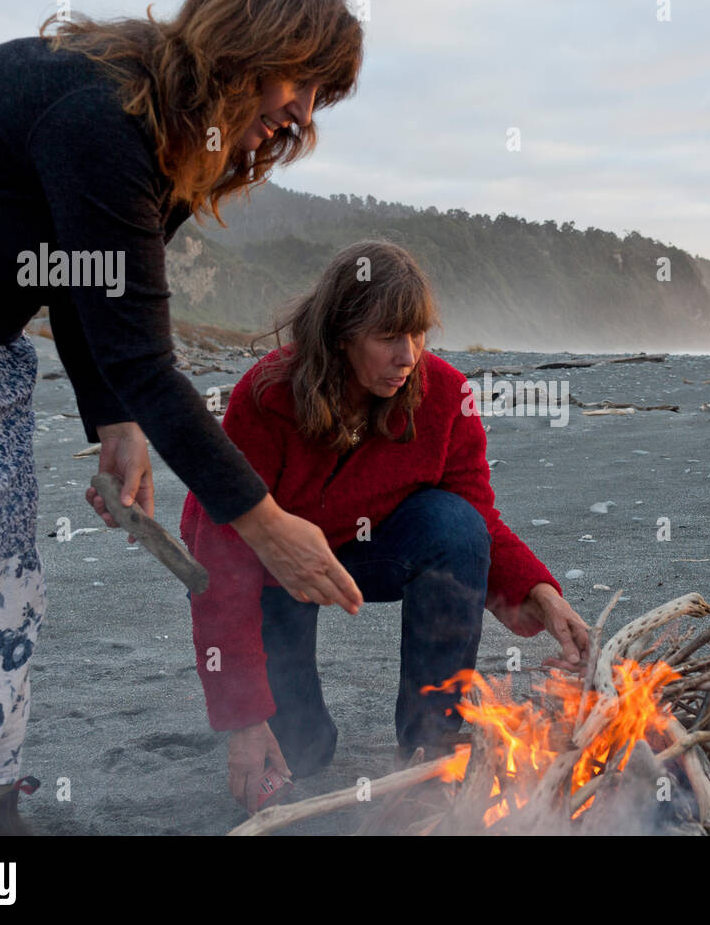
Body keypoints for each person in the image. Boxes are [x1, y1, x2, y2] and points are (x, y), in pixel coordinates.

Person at [0, 0, 365, 834]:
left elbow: (81, 283)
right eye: (304, 81)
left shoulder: (172, 146)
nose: (304, 116)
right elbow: (147, 361)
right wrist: (263, 520)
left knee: (6, 586)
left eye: (322, 98)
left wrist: (115, 425)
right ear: (253, 43)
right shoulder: (102, 112)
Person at [180, 240, 592, 814]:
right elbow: (221, 559)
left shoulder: (446, 395)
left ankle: (432, 742)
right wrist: (245, 719)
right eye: (388, 337)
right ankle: (292, 734)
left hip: (370, 547)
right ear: (341, 334)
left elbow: (478, 518)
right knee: (301, 752)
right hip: (269, 559)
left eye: (418, 334)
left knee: (455, 526)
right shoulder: (268, 395)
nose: (409, 356)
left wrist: (541, 594)